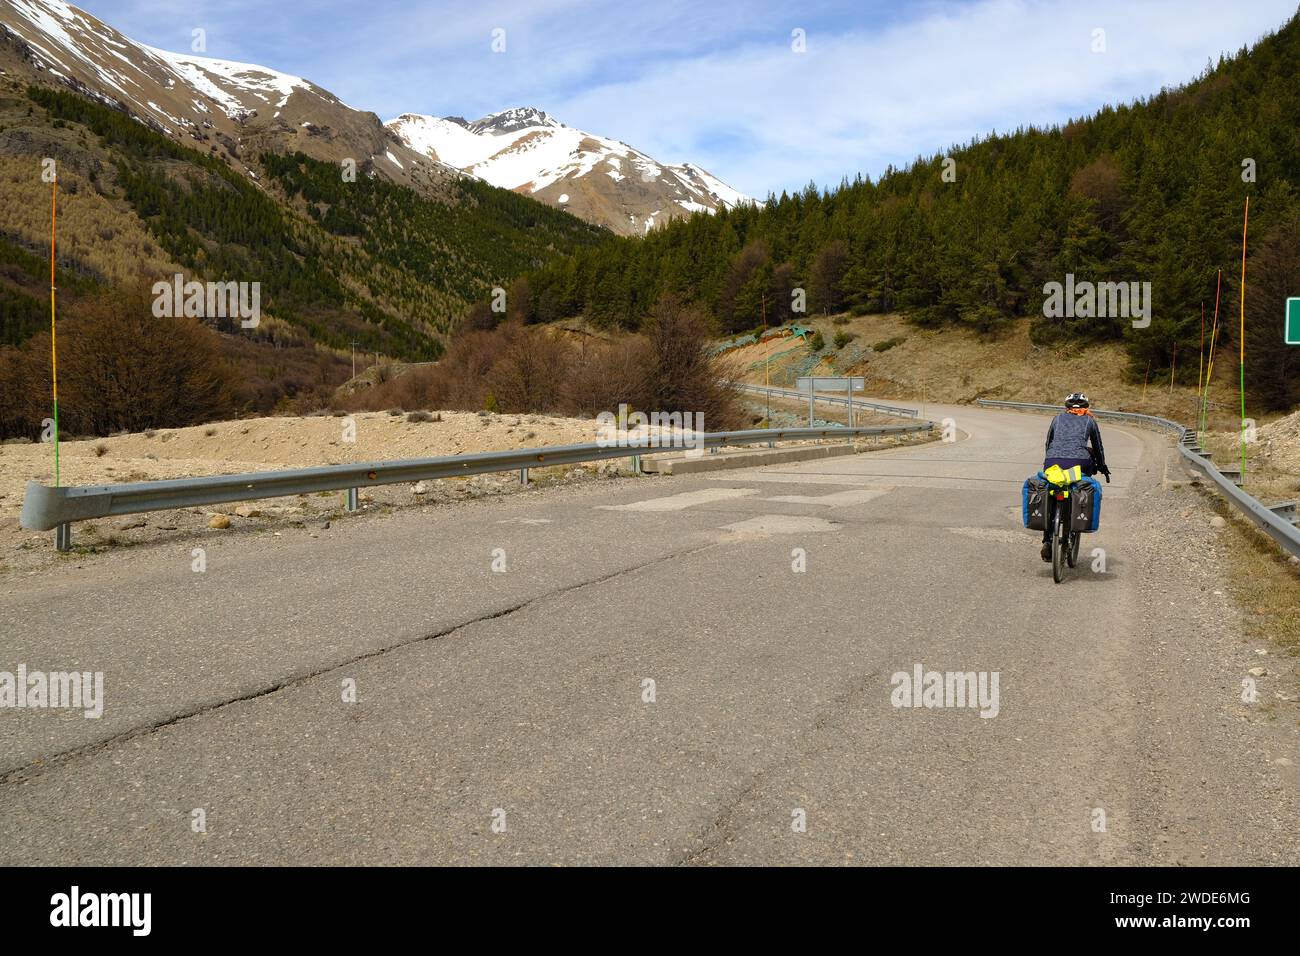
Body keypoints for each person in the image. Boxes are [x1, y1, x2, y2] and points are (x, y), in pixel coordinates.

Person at [1040, 392, 1110, 560]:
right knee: (1079, 486)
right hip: (1080, 463)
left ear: (1067, 407)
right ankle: (1073, 523)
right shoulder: (1090, 420)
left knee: (1051, 492)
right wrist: (1102, 466)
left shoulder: (1057, 419)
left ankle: (1048, 540)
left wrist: (1050, 461)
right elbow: (1098, 447)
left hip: (1053, 461)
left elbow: (1049, 442)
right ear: (1086, 408)